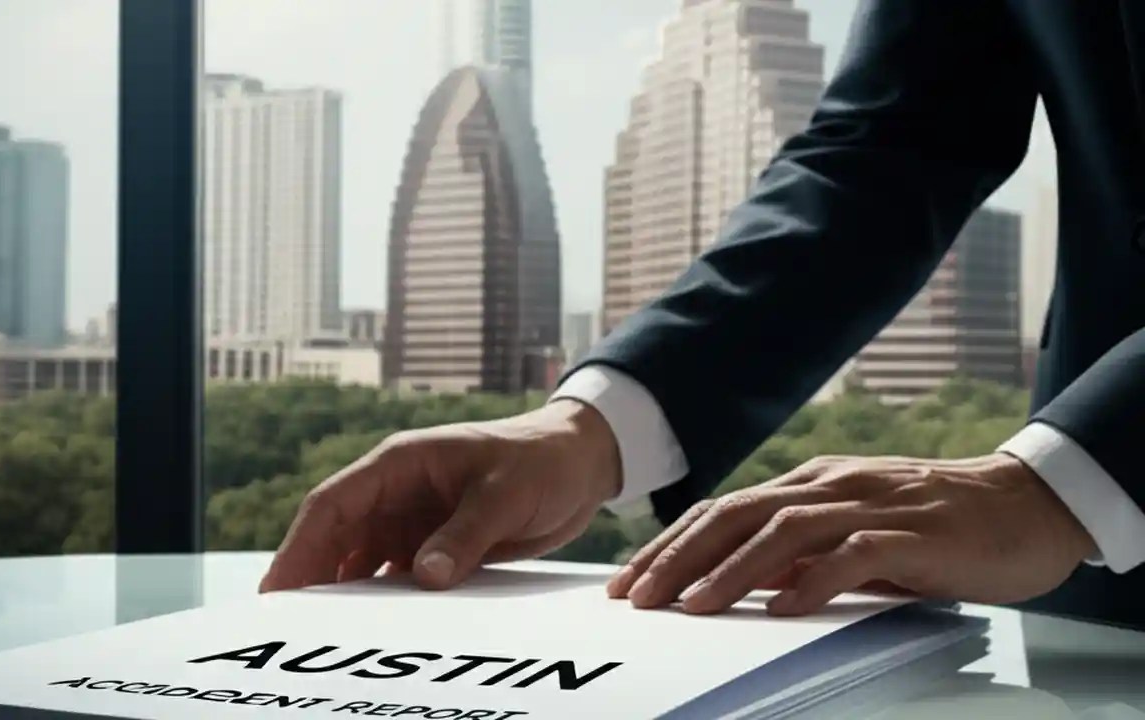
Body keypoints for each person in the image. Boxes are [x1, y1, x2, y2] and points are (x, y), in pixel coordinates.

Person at [262, 0, 1145, 628]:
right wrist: (594, 427)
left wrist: (1070, 478)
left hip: (1080, 515)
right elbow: (894, 140)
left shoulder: (1064, 494)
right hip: (1095, 590)